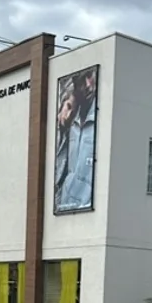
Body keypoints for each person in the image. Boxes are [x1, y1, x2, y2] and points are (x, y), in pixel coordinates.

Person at [55, 68, 97, 213]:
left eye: (89, 76)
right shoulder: (72, 121)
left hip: (88, 211)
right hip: (65, 207)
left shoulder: (102, 116)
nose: (87, 85)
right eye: (81, 82)